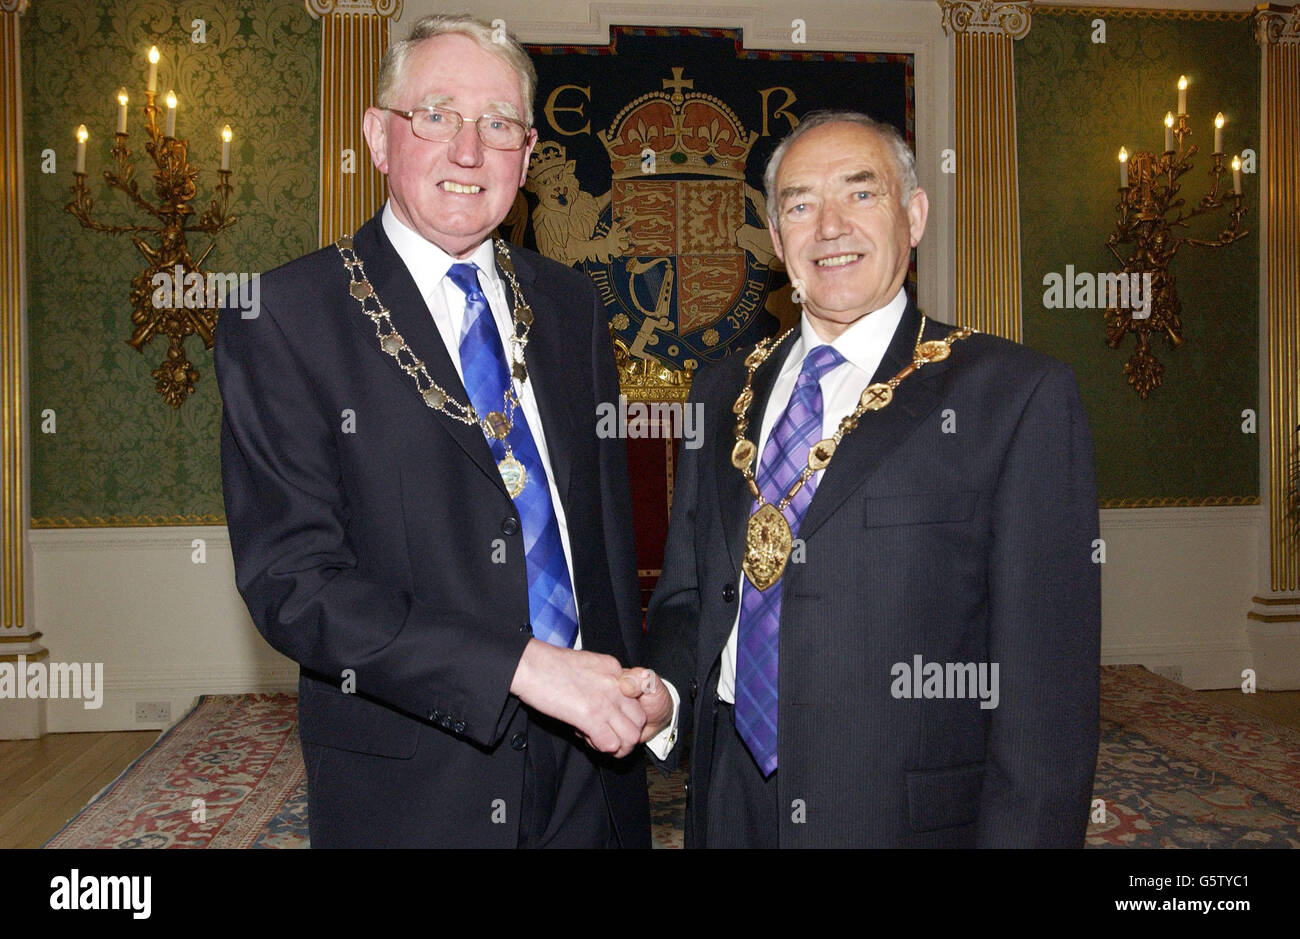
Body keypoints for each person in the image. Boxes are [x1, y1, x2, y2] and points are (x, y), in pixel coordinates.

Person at [215, 13, 651, 848]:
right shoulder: (285, 317)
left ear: (526, 156)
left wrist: (638, 686)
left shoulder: (570, 307)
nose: (467, 151)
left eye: (498, 125)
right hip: (416, 783)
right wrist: (520, 668)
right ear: (380, 137)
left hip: (594, 774)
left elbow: (597, 532)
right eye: (437, 115)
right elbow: (296, 585)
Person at [625, 111, 1101, 847]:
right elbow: (690, 598)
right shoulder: (722, 391)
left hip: (900, 818)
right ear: (778, 241)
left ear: (913, 216)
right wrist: (662, 689)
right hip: (730, 805)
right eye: (800, 203)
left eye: (860, 193)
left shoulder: (1011, 396)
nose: (830, 226)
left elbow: (1048, 699)